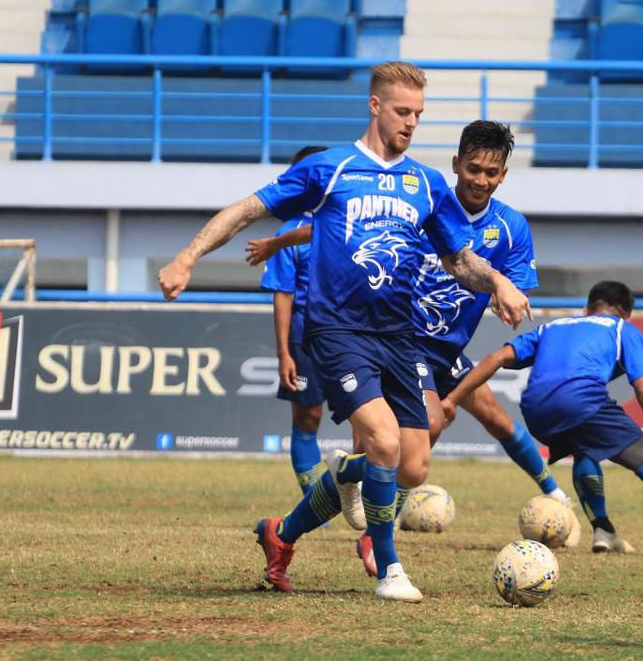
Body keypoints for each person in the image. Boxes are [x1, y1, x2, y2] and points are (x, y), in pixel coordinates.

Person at [158, 61, 531, 603]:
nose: (411, 123)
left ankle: (281, 533)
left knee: (413, 462)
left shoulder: (426, 183)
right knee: (382, 439)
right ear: (375, 106)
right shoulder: (330, 169)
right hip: (337, 330)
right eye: (403, 112)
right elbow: (248, 209)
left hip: (398, 336)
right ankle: (389, 569)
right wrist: (187, 257)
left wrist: (496, 280)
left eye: (419, 115)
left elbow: (459, 260)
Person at [247, 121, 578, 574]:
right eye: (474, 168)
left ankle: (287, 530)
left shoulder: (511, 228)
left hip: (446, 350)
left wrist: (510, 297)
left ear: (503, 175)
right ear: (457, 165)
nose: (481, 179)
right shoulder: (427, 201)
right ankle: (376, 543)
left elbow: (514, 285)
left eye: (491, 172)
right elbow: (337, 225)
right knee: (412, 441)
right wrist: (278, 241)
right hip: (396, 337)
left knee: (405, 453)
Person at [442, 281, 643, 555]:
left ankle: (603, 530)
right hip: (581, 400)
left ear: (586, 309)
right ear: (626, 314)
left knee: (584, 450)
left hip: (535, 408)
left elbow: (497, 357)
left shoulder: (552, 327)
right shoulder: (622, 329)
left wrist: (451, 399)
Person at [258, 145, 330, 500]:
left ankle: (366, 505)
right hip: (306, 340)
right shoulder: (289, 232)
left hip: (357, 337)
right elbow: (282, 294)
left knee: (369, 423)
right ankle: (316, 506)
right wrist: (284, 353)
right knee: (307, 420)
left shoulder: (355, 220)